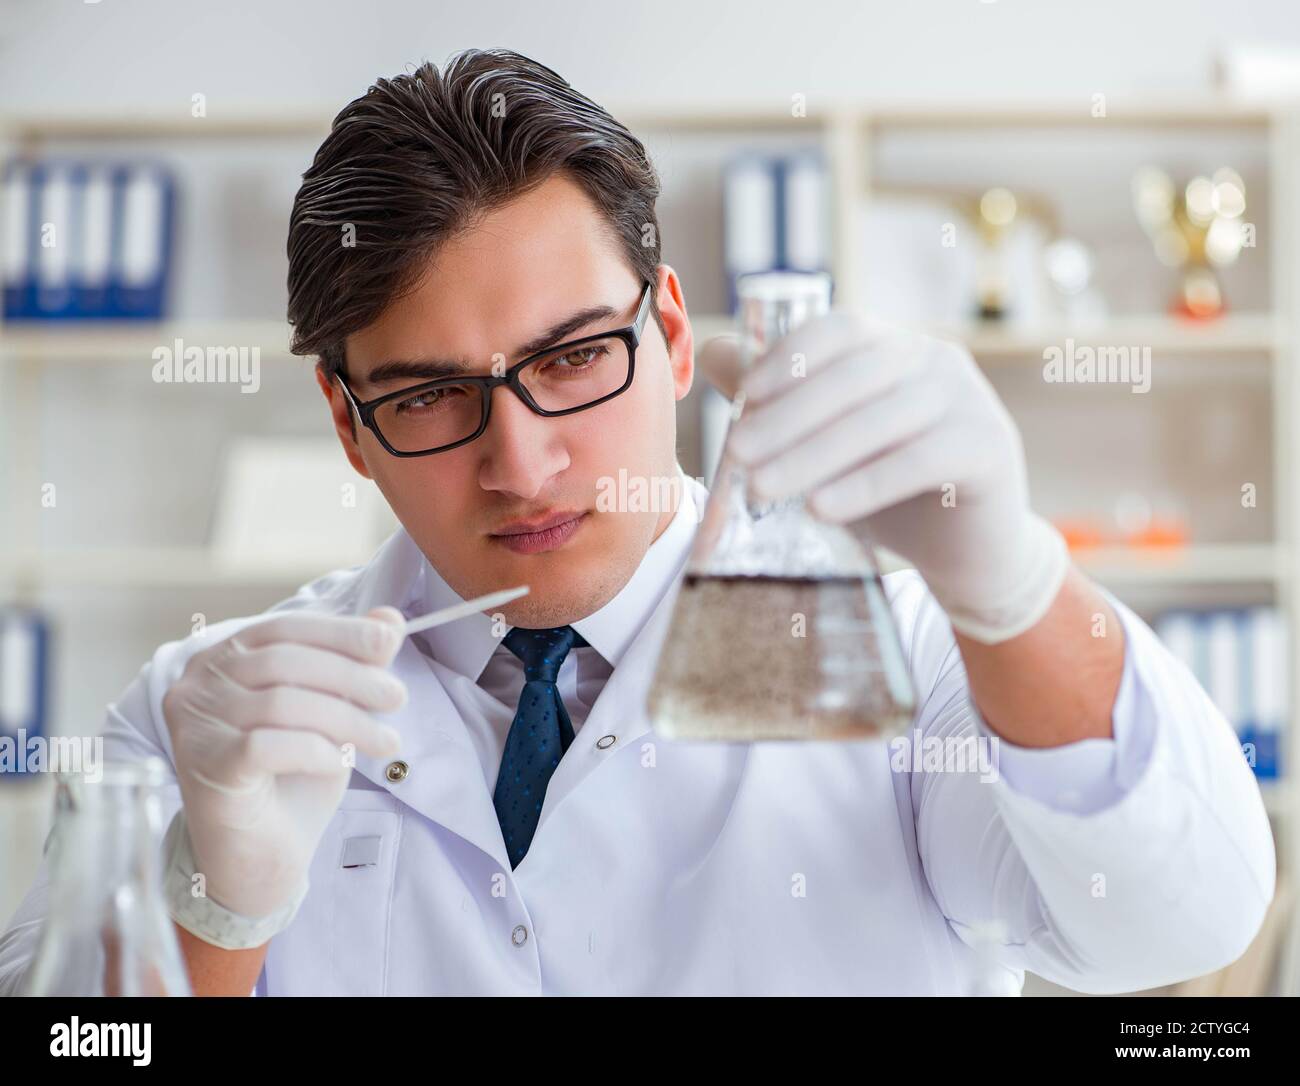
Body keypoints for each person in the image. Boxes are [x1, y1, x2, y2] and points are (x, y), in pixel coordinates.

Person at [0, 48, 1274, 997]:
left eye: (570, 359)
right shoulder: (213, 721)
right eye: (434, 394)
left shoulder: (904, 658)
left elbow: (1177, 922)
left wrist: (1012, 584)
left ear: (668, 330)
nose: (521, 459)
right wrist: (214, 907)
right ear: (347, 422)